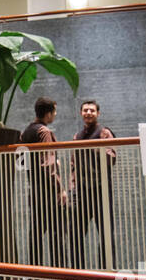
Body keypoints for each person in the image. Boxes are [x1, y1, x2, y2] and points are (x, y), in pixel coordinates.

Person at [69, 99, 116, 268]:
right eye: (85, 110)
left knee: (105, 234)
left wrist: (97, 148)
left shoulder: (104, 133)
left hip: (100, 190)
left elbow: (111, 159)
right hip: (82, 191)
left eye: (92, 110)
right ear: (81, 113)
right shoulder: (77, 136)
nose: (88, 113)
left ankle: (107, 272)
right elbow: (73, 164)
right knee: (75, 234)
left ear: (98, 113)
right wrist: (73, 187)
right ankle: (78, 272)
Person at [20, 97, 67, 266]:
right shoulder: (44, 132)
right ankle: (59, 271)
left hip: (34, 189)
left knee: (36, 232)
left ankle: (34, 271)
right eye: (54, 111)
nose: (55, 114)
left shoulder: (26, 132)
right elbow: (48, 164)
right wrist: (60, 189)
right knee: (57, 233)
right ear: (48, 114)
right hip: (49, 192)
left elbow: (21, 162)